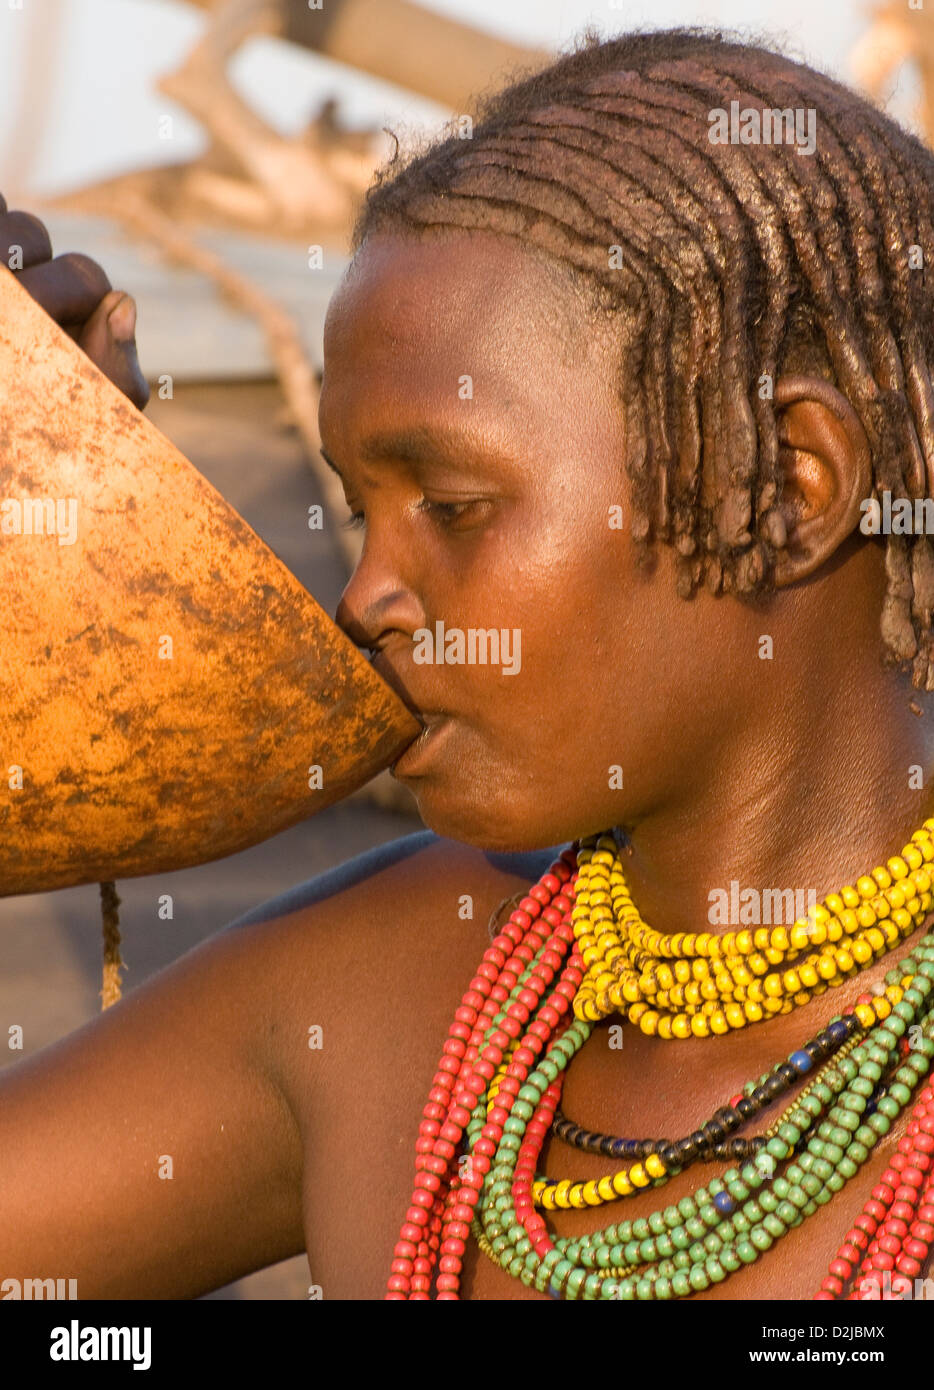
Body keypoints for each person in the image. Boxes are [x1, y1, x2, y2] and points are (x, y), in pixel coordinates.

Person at [3, 25, 934, 1301]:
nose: (368, 594)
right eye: (356, 505)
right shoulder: (392, 985)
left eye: (448, 502)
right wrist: (37, 539)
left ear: (785, 487)